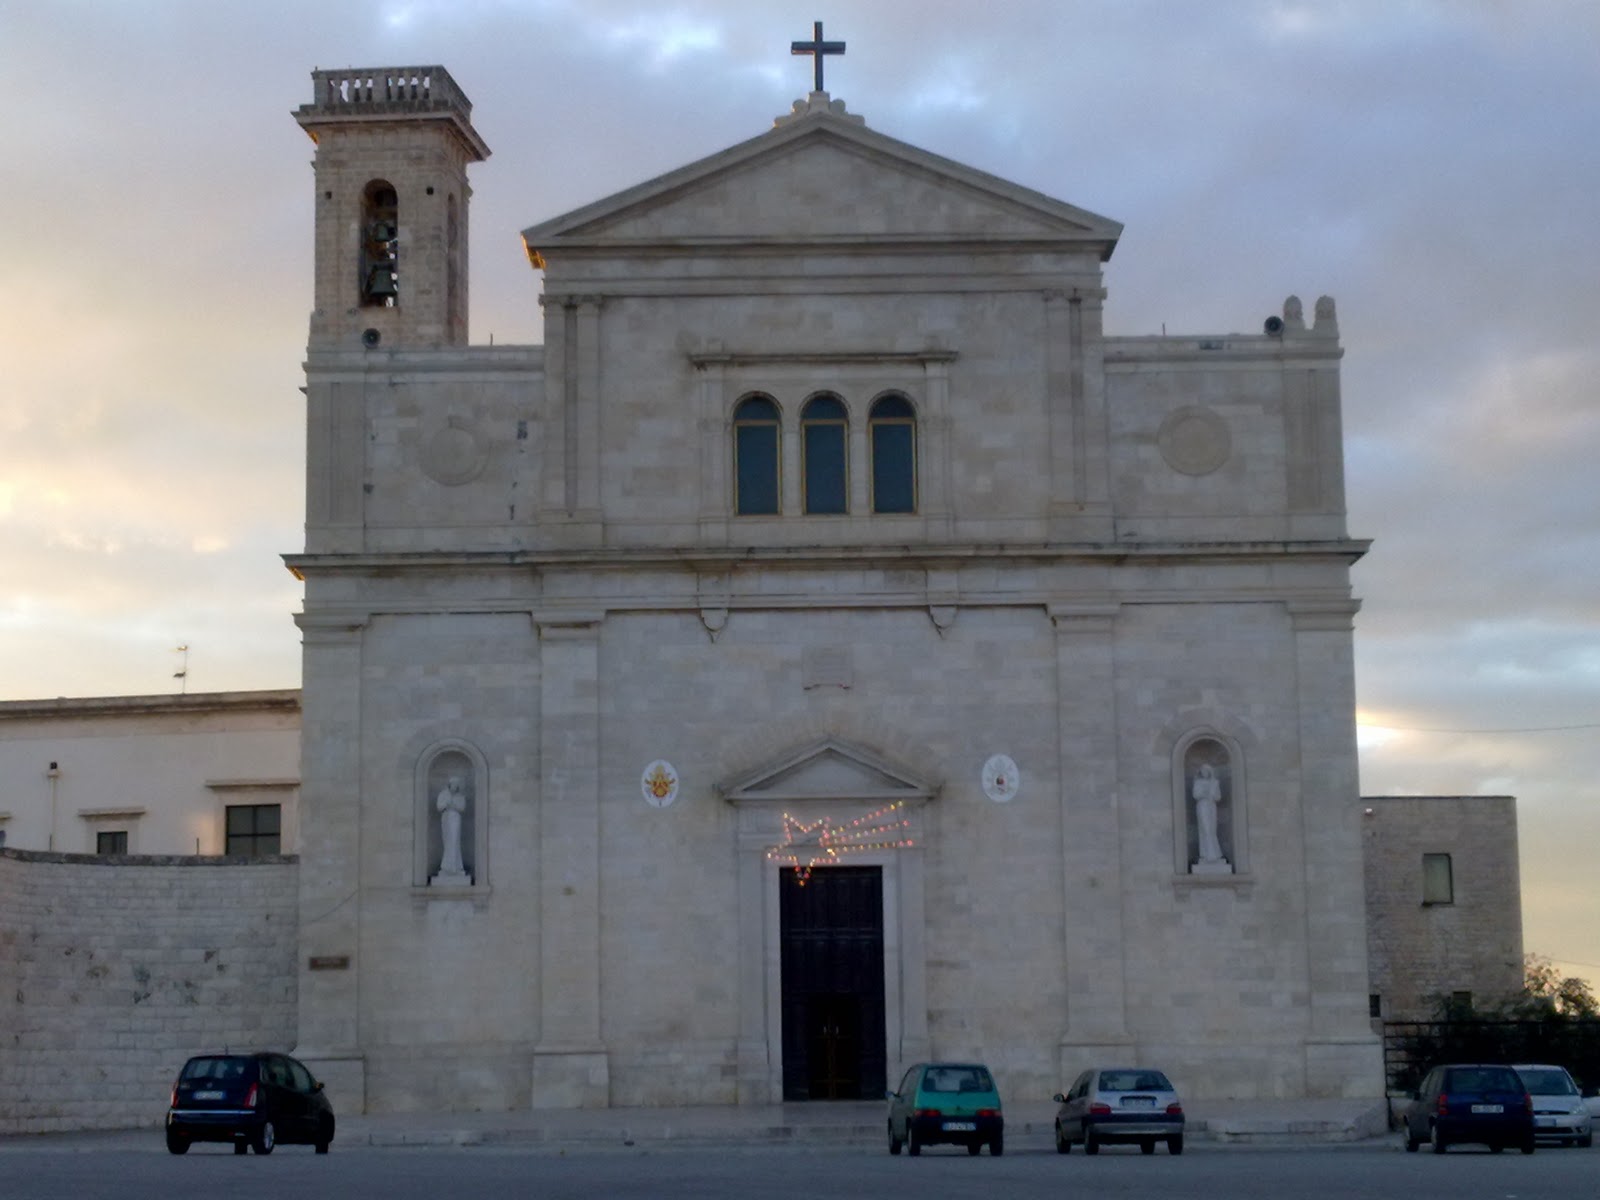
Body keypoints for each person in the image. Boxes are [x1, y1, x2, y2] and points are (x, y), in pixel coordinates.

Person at [1192, 764, 1224, 863]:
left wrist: (1213, 794)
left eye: (1206, 771)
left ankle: (1215, 854)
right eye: (1203, 771)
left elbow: (1218, 797)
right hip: (1202, 806)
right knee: (1205, 829)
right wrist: (1205, 793)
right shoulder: (1198, 782)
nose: (1205, 773)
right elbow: (1196, 795)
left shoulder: (1215, 783)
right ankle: (1208, 854)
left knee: (1212, 829)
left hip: (1211, 806)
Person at [436, 774, 467, 877]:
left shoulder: (460, 796)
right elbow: (439, 807)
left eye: (457, 785)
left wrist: (453, 805)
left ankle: (455, 867)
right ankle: (446, 867)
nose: (455, 786)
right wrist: (446, 804)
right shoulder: (443, 794)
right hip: (446, 818)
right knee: (447, 841)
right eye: (453, 784)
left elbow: (462, 808)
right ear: (450, 785)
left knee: (454, 842)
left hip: (456, 818)